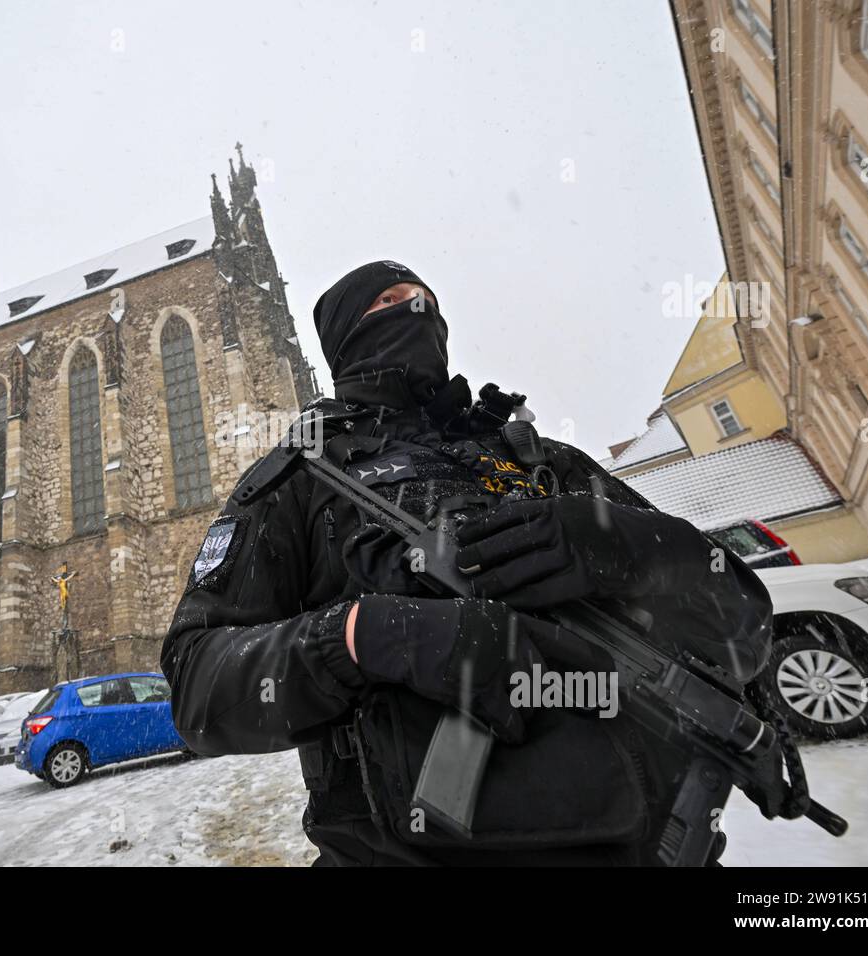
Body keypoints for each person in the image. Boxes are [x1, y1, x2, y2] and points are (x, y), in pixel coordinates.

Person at [162, 259, 773, 865]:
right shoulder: (303, 477)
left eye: (423, 295)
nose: (416, 307)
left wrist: (622, 544)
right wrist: (361, 636)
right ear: (345, 336)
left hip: (648, 842)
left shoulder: (539, 456)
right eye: (389, 300)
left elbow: (742, 622)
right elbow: (198, 688)